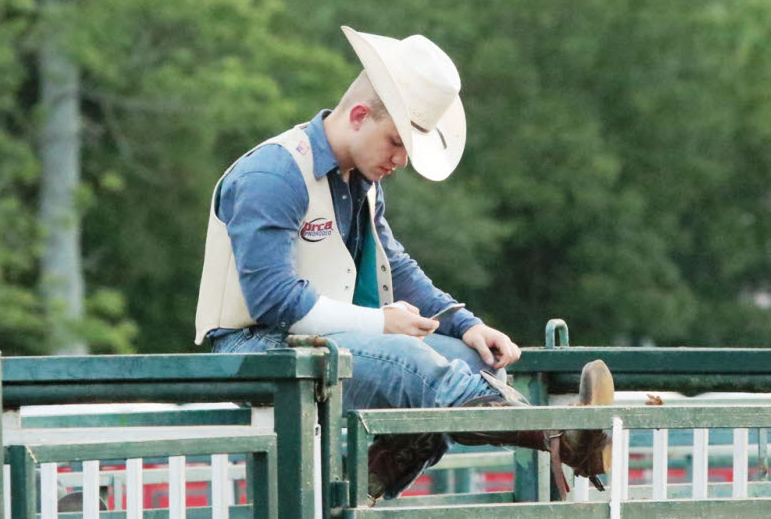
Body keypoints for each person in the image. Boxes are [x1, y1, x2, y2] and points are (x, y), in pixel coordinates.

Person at [194, 26, 613, 502]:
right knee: (414, 363)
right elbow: (272, 300)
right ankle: (563, 439)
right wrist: (380, 323)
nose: (401, 160)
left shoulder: (364, 183)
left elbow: (397, 269)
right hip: (254, 349)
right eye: (396, 142)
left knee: (466, 359)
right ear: (357, 116)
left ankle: (362, 488)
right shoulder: (273, 175)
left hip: (320, 346)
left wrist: (463, 323)